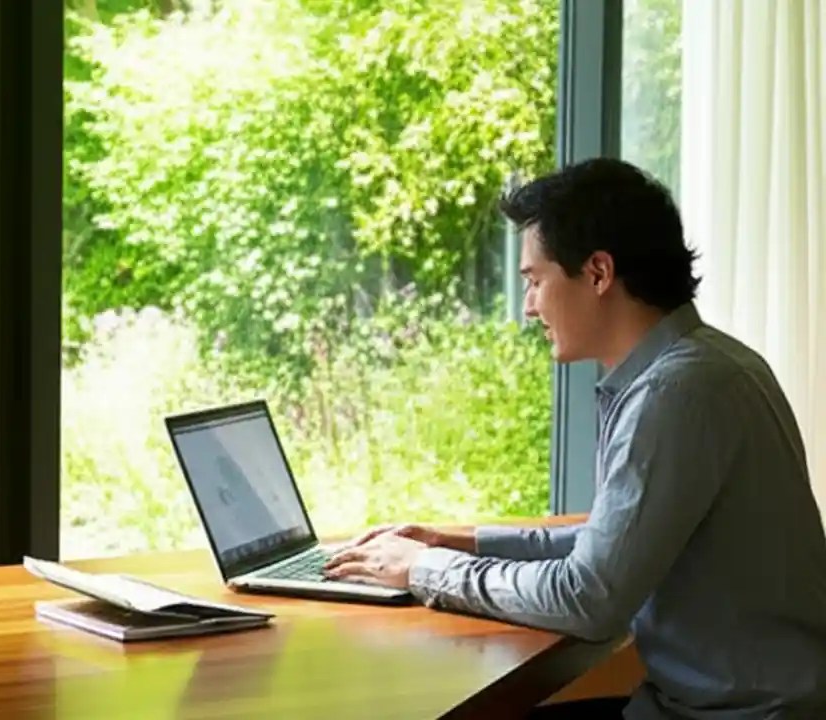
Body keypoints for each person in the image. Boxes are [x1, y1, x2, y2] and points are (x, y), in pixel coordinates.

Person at [323, 158, 826, 719]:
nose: (529, 306)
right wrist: (459, 542)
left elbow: (587, 598)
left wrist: (421, 571)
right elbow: (616, 542)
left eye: (535, 280)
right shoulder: (714, 362)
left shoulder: (675, 392)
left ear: (597, 273)